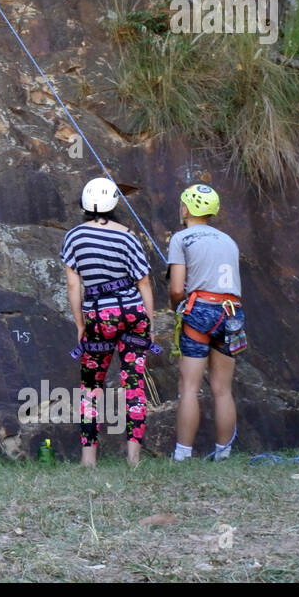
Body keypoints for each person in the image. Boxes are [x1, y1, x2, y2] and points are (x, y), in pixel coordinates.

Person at [60, 177, 158, 467]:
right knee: (134, 384)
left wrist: (80, 325)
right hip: (132, 313)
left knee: (91, 386)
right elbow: (144, 282)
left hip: (98, 317)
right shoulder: (128, 236)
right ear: (114, 202)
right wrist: (149, 323)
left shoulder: (74, 237)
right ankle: (133, 459)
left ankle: (88, 459)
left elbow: (73, 287)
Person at [168, 184, 246, 461]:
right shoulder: (228, 240)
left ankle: (183, 454)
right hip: (232, 312)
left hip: (200, 310)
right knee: (222, 389)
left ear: (186, 208)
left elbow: (177, 289)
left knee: (189, 387)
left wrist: (176, 307)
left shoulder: (181, 238)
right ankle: (223, 452)